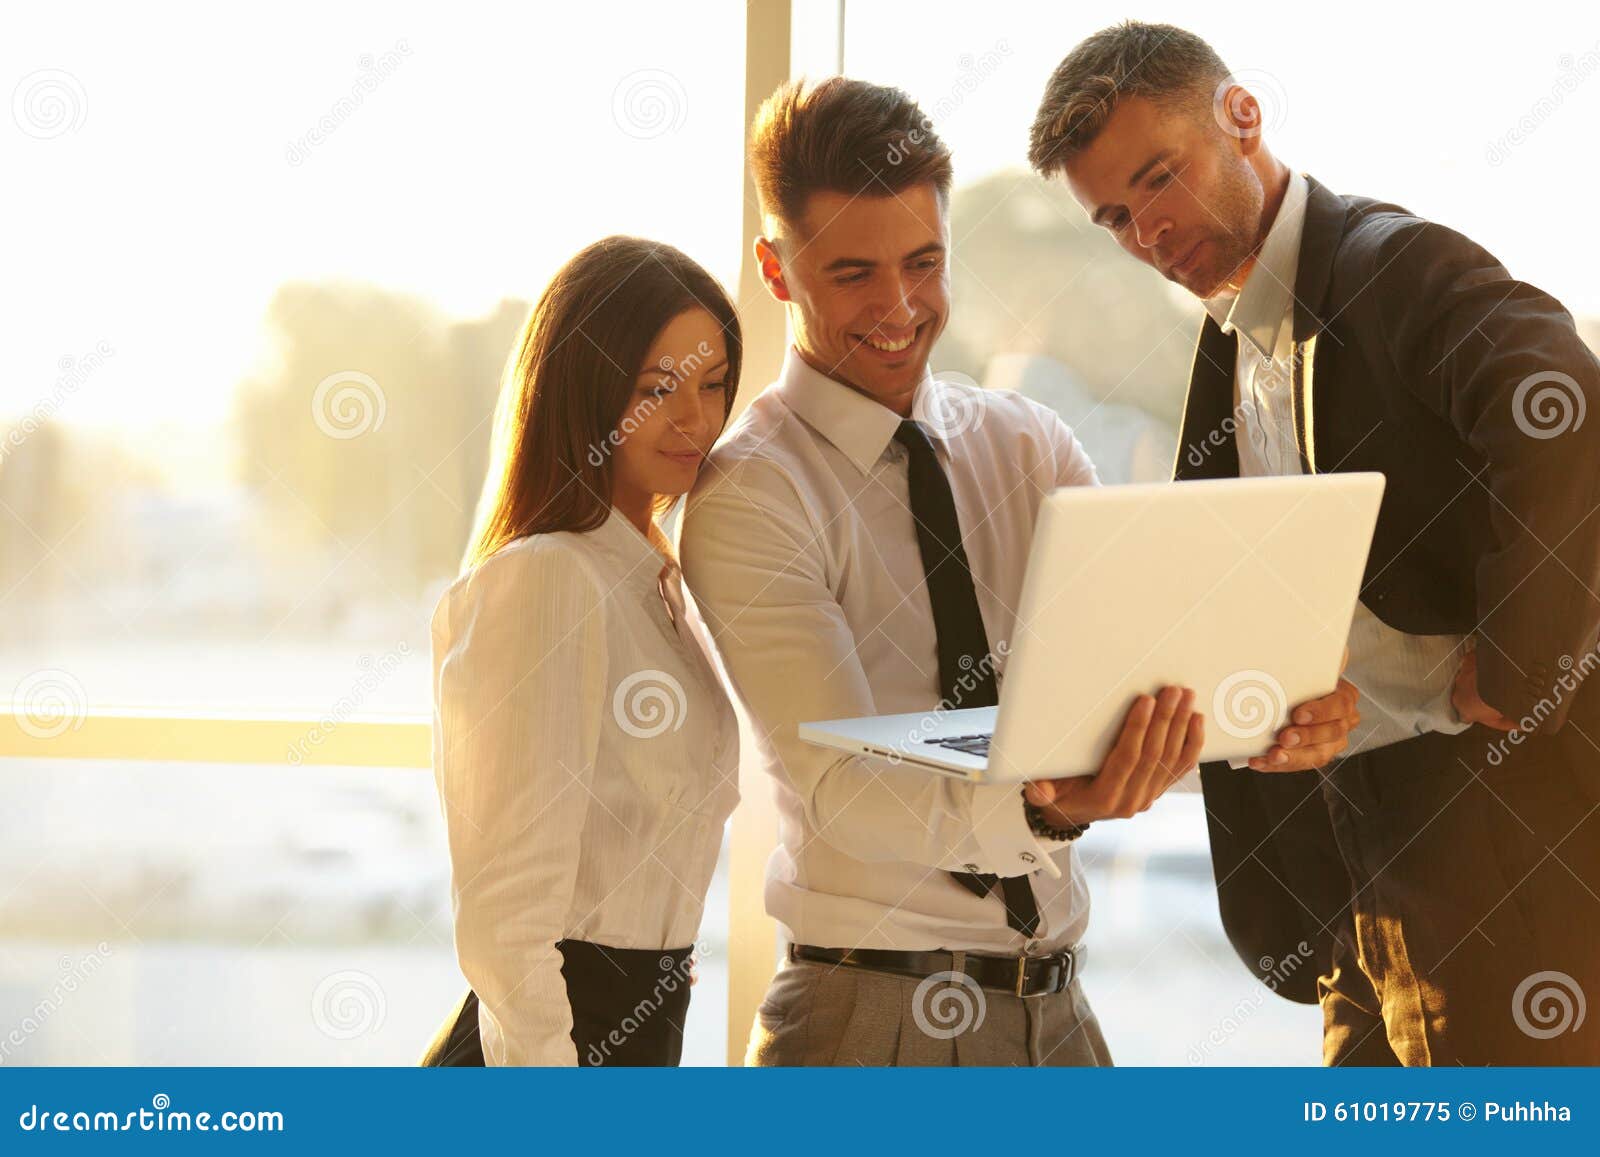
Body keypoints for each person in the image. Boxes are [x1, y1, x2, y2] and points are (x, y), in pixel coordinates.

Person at [679, 77, 1356, 1067]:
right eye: (853, 273)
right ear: (777, 271)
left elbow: (1151, 663)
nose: (900, 307)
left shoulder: (1024, 443)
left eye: (924, 261)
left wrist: (1277, 705)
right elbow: (843, 784)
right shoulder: (753, 492)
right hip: (866, 1024)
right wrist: (1042, 804)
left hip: (1057, 1012)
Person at [1029, 20, 1600, 1065]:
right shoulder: (1231, 340)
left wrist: (1518, 666)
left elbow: (1560, 404)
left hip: (1497, 842)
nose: (1147, 231)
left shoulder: (1391, 264)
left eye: (1160, 179)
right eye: (1114, 217)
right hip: (1355, 872)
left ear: (1241, 116)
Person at [422, 236, 742, 1066]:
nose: (695, 419)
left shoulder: (656, 584)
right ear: (586, 388)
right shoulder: (550, 581)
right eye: (656, 389)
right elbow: (507, 924)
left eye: (712, 386)